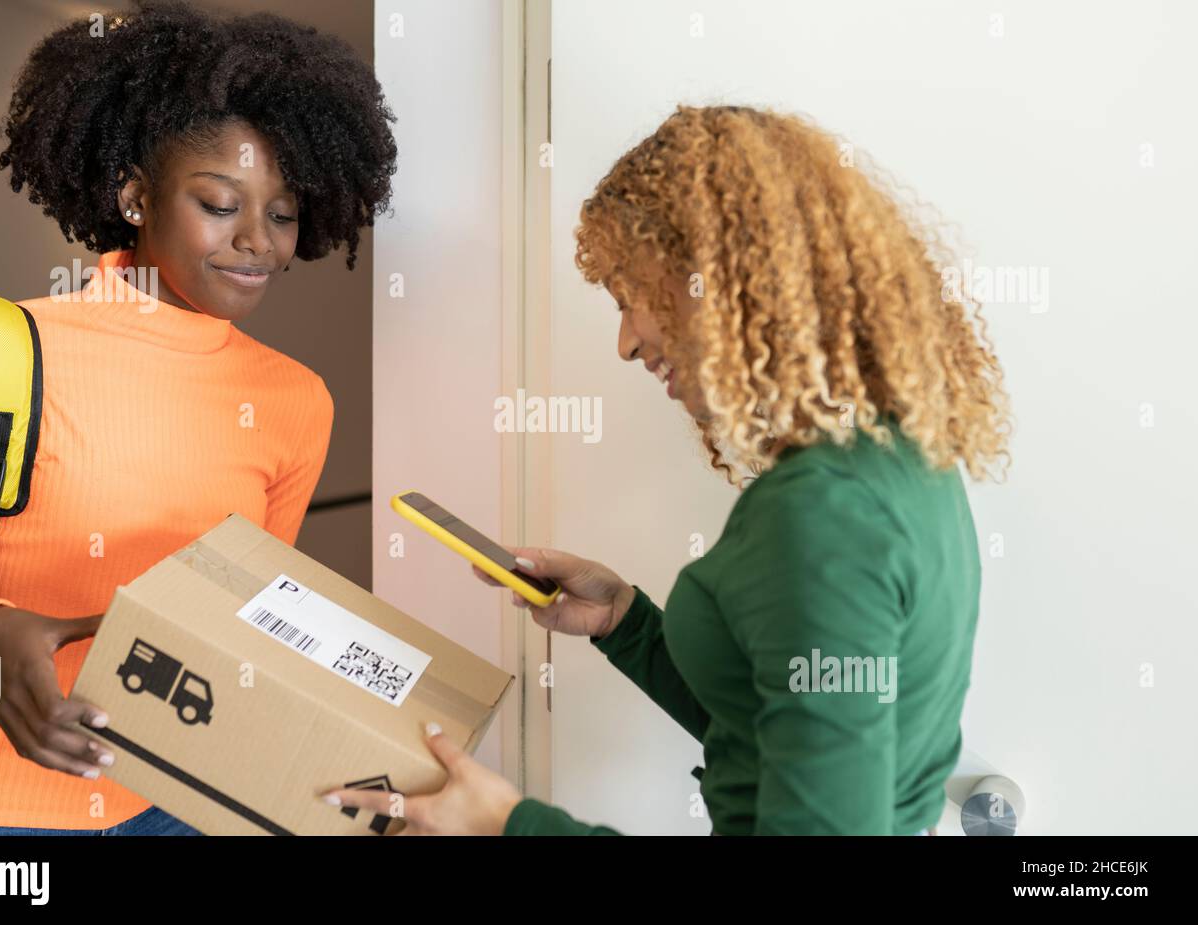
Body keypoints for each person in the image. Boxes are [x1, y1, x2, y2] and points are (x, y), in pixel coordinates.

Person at [323, 104, 1011, 835]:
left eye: (632, 298)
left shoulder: (823, 516)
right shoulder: (902, 456)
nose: (625, 342)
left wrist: (510, 825)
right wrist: (624, 620)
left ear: (726, 277)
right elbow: (777, 726)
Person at [0, 0, 396, 835]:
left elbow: (249, 625)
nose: (259, 243)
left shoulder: (296, 401)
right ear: (134, 195)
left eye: (282, 213)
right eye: (219, 202)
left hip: (176, 804)